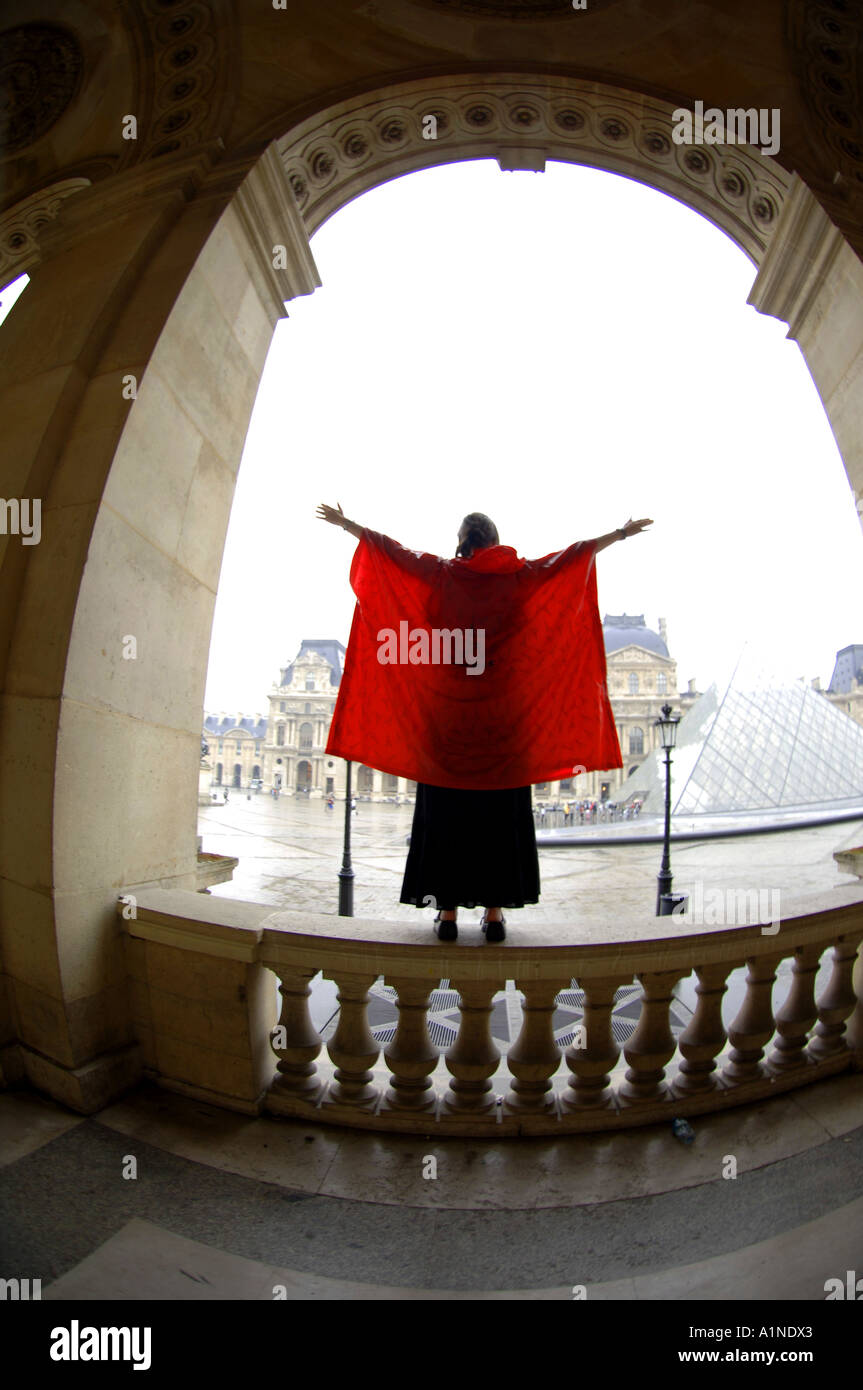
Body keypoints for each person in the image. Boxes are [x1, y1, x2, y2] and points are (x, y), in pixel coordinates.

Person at [317, 502, 652, 941]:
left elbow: (391, 553)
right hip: (504, 723)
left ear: (463, 542)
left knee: (445, 818)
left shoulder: (441, 574)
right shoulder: (521, 577)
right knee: (500, 818)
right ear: (495, 542)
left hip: (450, 720)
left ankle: (448, 915)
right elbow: (572, 558)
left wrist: (348, 525)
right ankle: (494, 915)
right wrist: (619, 534)